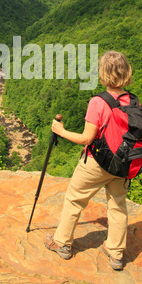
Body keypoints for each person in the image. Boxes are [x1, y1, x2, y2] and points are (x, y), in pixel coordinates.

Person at [43, 50, 133, 271]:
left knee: (74, 199)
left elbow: (86, 138)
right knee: (118, 206)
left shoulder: (98, 102)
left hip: (97, 162)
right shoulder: (132, 100)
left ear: (103, 74)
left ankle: (62, 244)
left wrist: (61, 131)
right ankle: (116, 254)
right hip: (123, 164)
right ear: (126, 73)